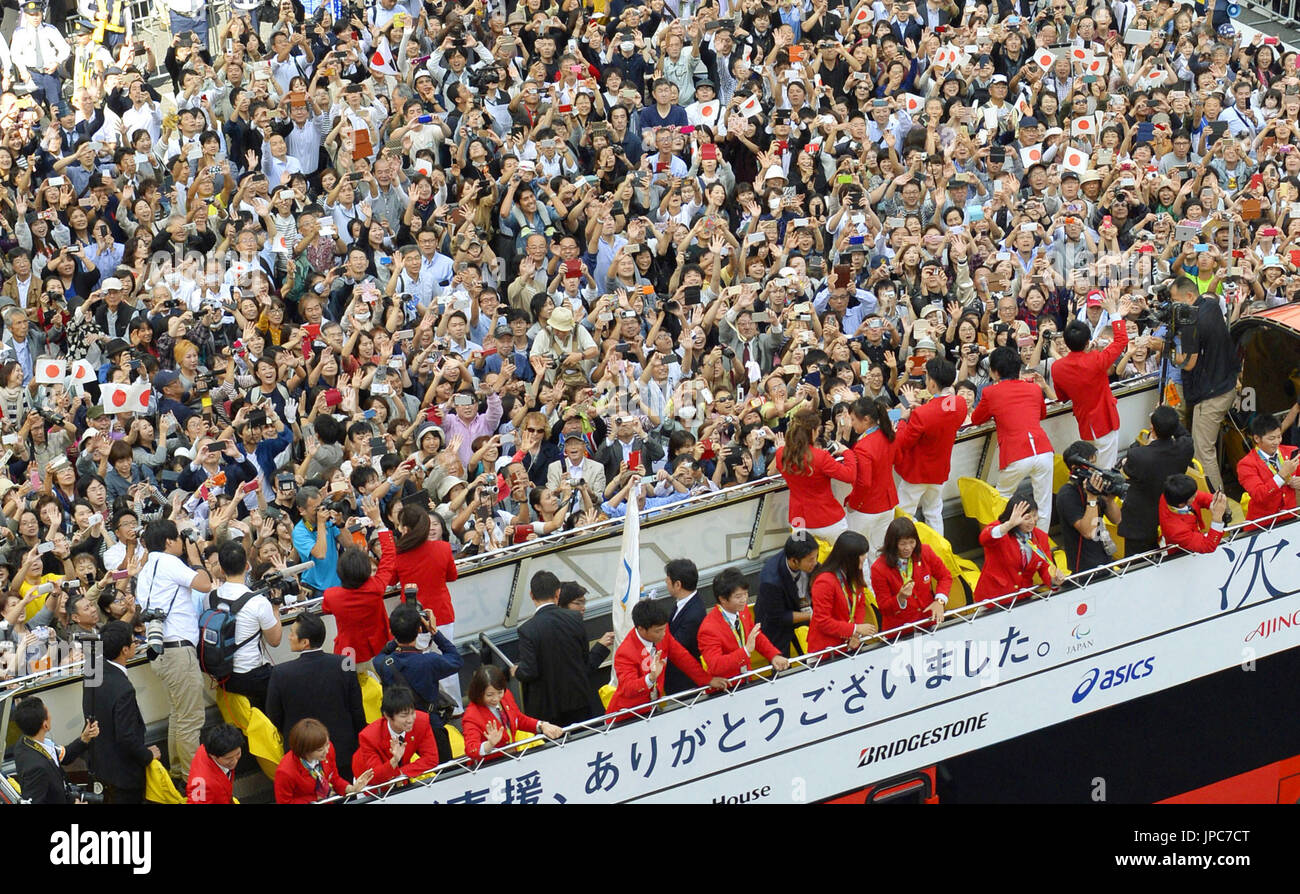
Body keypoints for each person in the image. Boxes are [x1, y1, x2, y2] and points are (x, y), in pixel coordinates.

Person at [137, 519, 213, 780]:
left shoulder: (147, 568)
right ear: (169, 541)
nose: (182, 542)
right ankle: (197, 783)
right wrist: (194, 557)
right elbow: (205, 584)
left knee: (179, 716)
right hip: (178, 650)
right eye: (179, 538)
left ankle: (180, 775)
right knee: (191, 720)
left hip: (160, 649)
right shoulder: (169, 562)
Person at [265, 612, 368, 782]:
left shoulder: (281, 673)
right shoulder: (344, 665)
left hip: (302, 753)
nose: (289, 637)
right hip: (343, 750)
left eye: (292, 633)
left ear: (305, 642)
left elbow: (274, 716)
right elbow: (357, 710)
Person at [971, 346, 1056, 529]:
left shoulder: (990, 392)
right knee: (1043, 504)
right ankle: (1041, 545)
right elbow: (1041, 414)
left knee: (1001, 498)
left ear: (994, 372)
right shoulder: (1033, 388)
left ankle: (1001, 538)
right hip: (1043, 449)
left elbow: (977, 418)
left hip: (1016, 453)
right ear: (1018, 369)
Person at [1050, 292, 1134, 469]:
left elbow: (1063, 396)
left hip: (1085, 426)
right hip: (1105, 422)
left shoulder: (1057, 367)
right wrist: (1113, 312)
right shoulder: (1095, 359)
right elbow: (1121, 340)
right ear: (1088, 342)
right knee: (1105, 472)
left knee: (1091, 468)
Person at [1171, 277, 1239, 492]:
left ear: (1190, 296)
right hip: (1225, 384)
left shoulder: (1191, 324)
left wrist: (1171, 354)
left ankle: (1220, 508)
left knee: (1203, 451)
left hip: (1211, 395)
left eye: (1176, 301)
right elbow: (1211, 293)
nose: (1174, 306)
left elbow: (1188, 364)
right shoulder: (1210, 305)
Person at [606, 599, 724, 719]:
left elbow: (682, 657)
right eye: (658, 631)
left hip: (653, 707)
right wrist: (650, 678)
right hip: (627, 715)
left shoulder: (663, 633)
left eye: (664, 628)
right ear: (641, 629)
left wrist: (707, 680)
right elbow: (628, 688)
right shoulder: (625, 653)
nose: (663, 634)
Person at [373, 601, 462, 760]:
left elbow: (380, 655)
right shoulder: (430, 661)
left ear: (392, 631)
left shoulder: (383, 664)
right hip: (430, 725)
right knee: (444, 771)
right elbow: (456, 660)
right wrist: (435, 633)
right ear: (419, 630)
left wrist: (397, 639)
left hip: (398, 730)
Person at [82, 621, 159, 803]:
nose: (135, 644)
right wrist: (147, 755)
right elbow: (126, 737)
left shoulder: (93, 667)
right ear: (125, 650)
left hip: (99, 763)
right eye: (133, 642)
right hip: (123, 776)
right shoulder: (124, 690)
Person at [391, 502, 460, 704]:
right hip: (442, 614)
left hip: (412, 619)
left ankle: (425, 709)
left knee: (416, 667)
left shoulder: (399, 554)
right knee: (447, 664)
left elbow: (389, 580)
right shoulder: (443, 548)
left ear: (405, 528)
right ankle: (454, 709)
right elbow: (452, 576)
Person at [515, 569, 604, 725]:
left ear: (531, 595)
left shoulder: (527, 630)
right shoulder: (575, 618)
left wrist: (517, 671)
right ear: (557, 593)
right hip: (578, 700)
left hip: (546, 710)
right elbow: (584, 659)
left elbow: (529, 671)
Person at [321, 495, 396, 672]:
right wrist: (379, 522)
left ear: (341, 572)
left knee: (354, 694)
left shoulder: (332, 596)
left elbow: (326, 608)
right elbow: (390, 557)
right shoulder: (375, 587)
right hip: (380, 648)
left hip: (349, 654)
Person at [894, 358, 967, 537]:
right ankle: (938, 551)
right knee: (934, 513)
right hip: (939, 471)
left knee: (903, 515)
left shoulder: (921, 414)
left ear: (932, 383)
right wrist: (921, 408)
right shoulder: (959, 403)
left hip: (916, 473)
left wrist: (904, 418)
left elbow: (903, 442)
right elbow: (942, 408)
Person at [211, 540, 281, 711]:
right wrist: (276, 607)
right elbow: (275, 641)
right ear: (247, 566)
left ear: (221, 569)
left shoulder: (211, 597)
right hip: (251, 676)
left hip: (224, 675)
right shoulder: (257, 602)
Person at [1118, 406, 1195, 555]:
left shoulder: (1138, 455)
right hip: (1172, 516)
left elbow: (1127, 470)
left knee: (1138, 567)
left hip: (1141, 523)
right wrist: (1168, 419)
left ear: (1152, 428)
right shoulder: (1184, 447)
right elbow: (1184, 434)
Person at [774, 405, 857, 543]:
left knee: (802, 560)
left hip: (799, 521)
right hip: (828, 519)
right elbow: (849, 475)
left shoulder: (781, 453)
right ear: (813, 431)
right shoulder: (820, 457)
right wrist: (847, 452)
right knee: (843, 560)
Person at [972, 481, 1065, 605]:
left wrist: (1054, 579)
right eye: (1027, 518)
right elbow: (985, 538)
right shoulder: (1001, 531)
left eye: (1035, 516)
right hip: (994, 600)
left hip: (1023, 598)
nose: (1032, 521)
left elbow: (1044, 567)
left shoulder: (1040, 537)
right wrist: (1009, 524)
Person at [697, 566, 789, 678]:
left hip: (746, 678)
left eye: (745, 594)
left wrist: (773, 655)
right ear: (722, 599)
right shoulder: (708, 629)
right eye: (738, 596)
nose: (744, 599)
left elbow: (755, 636)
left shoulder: (742, 610)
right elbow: (715, 665)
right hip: (726, 687)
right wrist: (745, 651)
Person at [462, 664, 563, 762]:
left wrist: (541, 725)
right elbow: (471, 749)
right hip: (491, 766)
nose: (496, 698)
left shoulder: (506, 695)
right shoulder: (471, 715)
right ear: (478, 692)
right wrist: (489, 744)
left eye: (500, 692)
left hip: (514, 758)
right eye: (489, 695)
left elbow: (518, 719)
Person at [11, 696, 99, 804]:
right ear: (45, 725)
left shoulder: (25, 742)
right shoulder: (36, 768)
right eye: (48, 714)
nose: (51, 716)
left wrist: (84, 739)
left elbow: (64, 756)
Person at [869, 518, 951, 633]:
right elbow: (883, 607)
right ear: (893, 544)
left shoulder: (925, 552)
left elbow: (945, 576)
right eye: (902, 544)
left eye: (912, 542)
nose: (908, 548)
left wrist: (940, 601)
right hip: (900, 632)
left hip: (929, 622)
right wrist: (900, 598)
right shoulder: (879, 568)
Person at [1055, 441, 1123, 574]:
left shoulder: (1094, 487)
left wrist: (1109, 500)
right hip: (1084, 567)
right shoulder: (1067, 494)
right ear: (1075, 467)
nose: (1094, 471)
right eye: (1090, 466)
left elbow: (1117, 520)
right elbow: (1087, 532)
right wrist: (1091, 498)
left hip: (1105, 558)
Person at [806, 531, 879, 654]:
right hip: (826, 651)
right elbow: (823, 621)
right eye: (860, 559)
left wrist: (855, 634)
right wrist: (855, 629)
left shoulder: (855, 572)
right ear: (848, 559)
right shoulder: (824, 582)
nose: (862, 564)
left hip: (849, 644)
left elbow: (860, 605)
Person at [352, 685, 440, 785]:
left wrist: (400, 773)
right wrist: (394, 761)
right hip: (368, 784)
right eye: (404, 716)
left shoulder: (421, 721)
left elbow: (431, 758)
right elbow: (375, 776)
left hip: (400, 778)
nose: (410, 720)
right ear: (387, 716)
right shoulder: (369, 737)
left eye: (412, 713)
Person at [274, 718, 375, 804]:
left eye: (327, 744)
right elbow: (284, 802)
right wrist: (315, 798)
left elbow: (334, 778)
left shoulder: (329, 749)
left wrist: (351, 789)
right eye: (320, 750)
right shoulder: (285, 772)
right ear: (305, 751)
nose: (326, 751)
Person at [844, 397, 897, 554]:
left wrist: (854, 503)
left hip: (867, 507)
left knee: (859, 553)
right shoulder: (887, 435)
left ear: (866, 420)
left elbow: (864, 483)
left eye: (853, 419)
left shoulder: (863, 446)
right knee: (879, 551)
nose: (851, 424)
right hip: (887, 502)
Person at [755, 535, 818, 657]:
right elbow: (778, 616)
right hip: (776, 623)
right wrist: (812, 615)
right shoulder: (770, 581)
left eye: (816, 557)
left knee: (812, 654)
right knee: (782, 664)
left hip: (803, 609)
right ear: (794, 561)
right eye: (810, 560)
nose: (815, 562)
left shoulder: (803, 557)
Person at [1237, 414, 1300, 524]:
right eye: (1271, 438)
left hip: (1291, 517)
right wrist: (1281, 476)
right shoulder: (1246, 465)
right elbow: (1258, 494)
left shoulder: (1292, 452)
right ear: (1257, 438)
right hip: (1263, 523)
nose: (1277, 442)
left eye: (1279, 436)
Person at [662, 557, 706, 695]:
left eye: (668, 579)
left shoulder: (694, 614)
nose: (665, 581)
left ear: (678, 584)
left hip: (685, 684)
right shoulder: (682, 603)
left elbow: (676, 646)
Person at [1159, 474, 1229, 554]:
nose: (1196, 495)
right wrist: (1217, 518)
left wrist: (1215, 501)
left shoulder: (1173, 495)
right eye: (1193, 496)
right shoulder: (1176, 531)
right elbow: (1208, 546)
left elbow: (1201, 497)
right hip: (1183, 554)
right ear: (1181, 504)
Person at [186, 723, 243, 804]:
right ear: (213, 756)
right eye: (228, 758)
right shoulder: (202, 784)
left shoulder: (210, 746)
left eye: (238, 754)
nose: (235, 761)